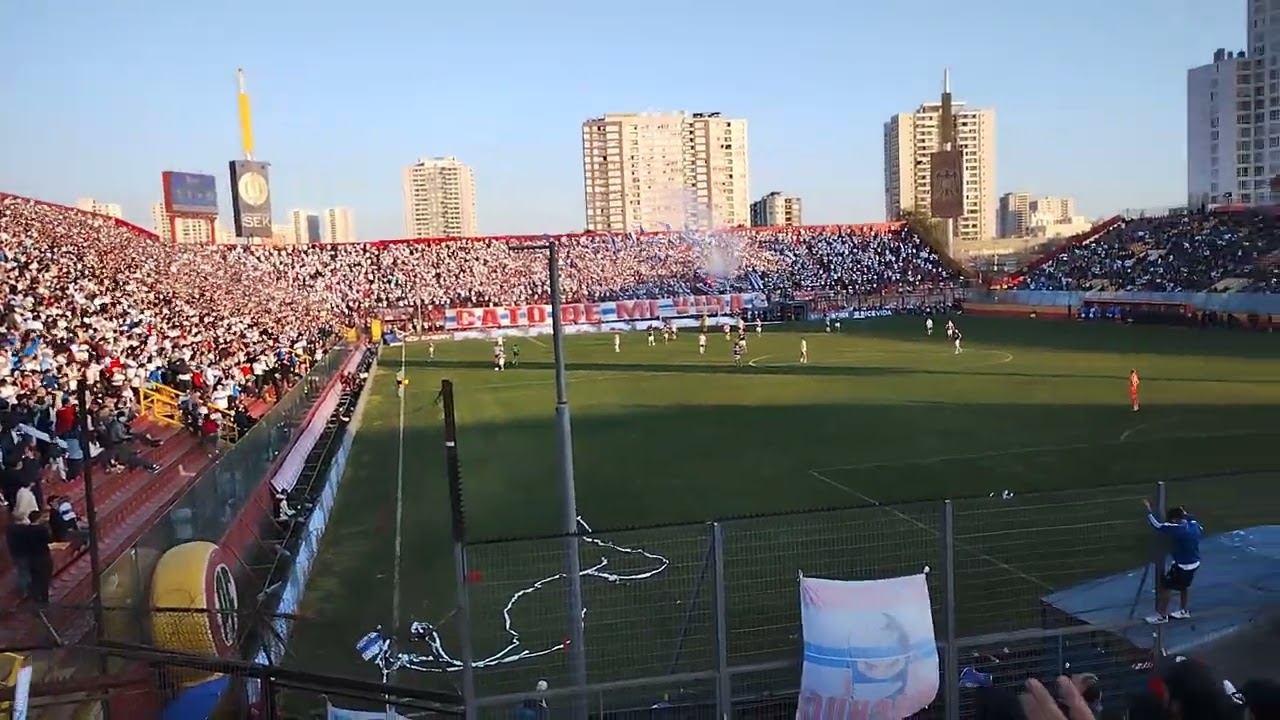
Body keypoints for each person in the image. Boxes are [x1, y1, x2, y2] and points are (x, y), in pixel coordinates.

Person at [1144, 500, 1202, 624]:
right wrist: (1183, 512)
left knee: (1165, 587)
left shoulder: (1178, 529)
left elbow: (1157, 525)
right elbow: (1190, 517)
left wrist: (1149, 510)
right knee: (1184, 586)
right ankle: (1183, 611)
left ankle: (1161, 616)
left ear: (1175, 520)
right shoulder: (1194, 525)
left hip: (1183, 565)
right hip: (1194, 563)